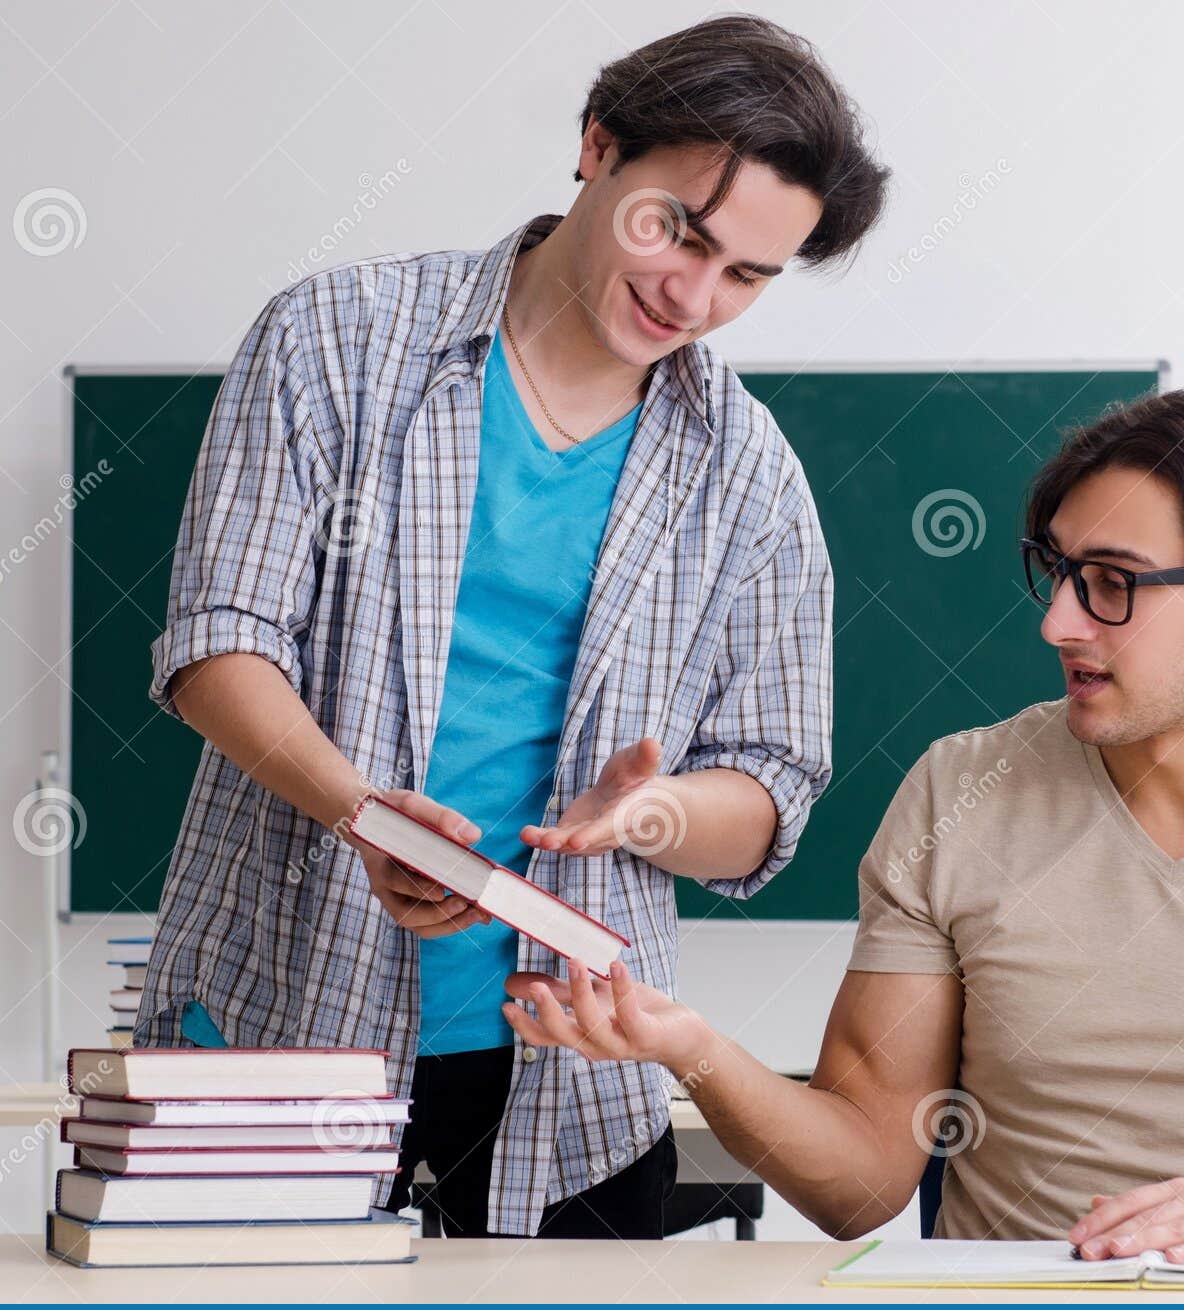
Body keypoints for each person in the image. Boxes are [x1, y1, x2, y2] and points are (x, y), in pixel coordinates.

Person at [505, 388, 1184, 1254]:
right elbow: (864, 1178)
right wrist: (687, 1046)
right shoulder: (959, 791)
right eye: (1058, 571)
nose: (1057, 619)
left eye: (1112, 583)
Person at [141, 15, 889, 1239]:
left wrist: (649, 813)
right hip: (275, 1037)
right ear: (596, 146)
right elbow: (218, 642)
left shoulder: (751, 477)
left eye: (746, 276)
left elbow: (769, 793)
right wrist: (363, 812)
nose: (692, 296)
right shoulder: (335, 339)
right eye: (678, 232)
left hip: (572, 1087)